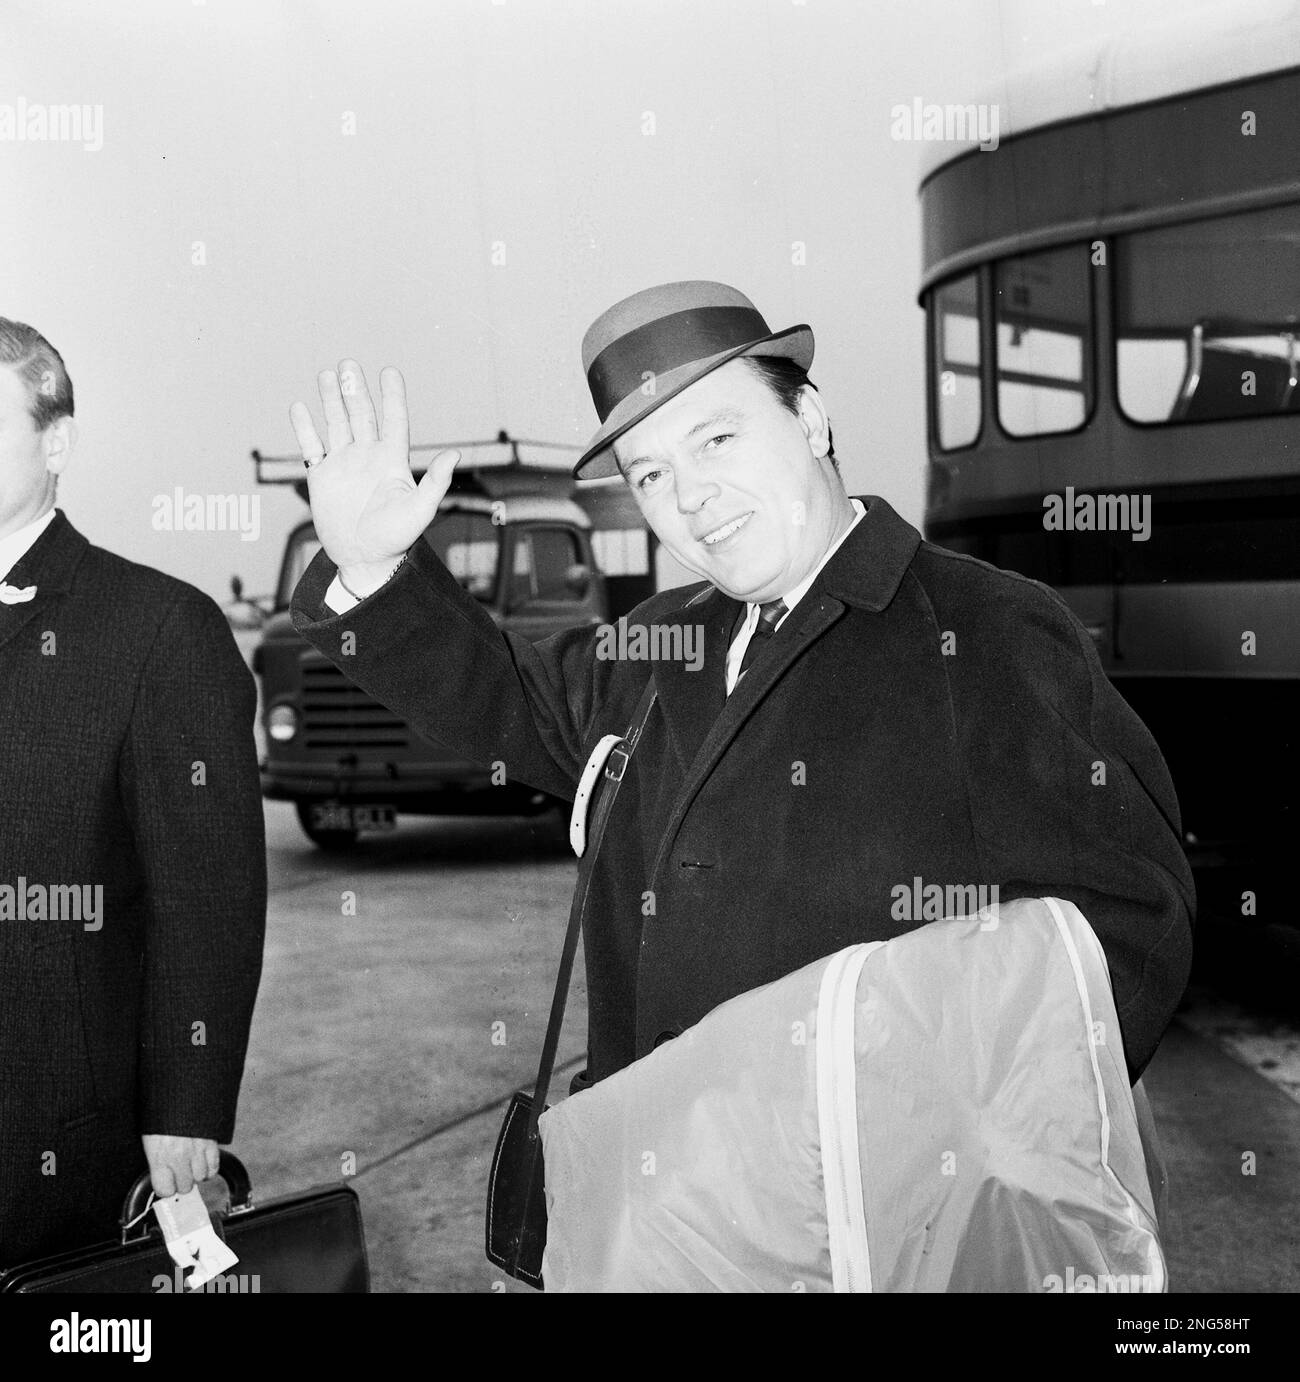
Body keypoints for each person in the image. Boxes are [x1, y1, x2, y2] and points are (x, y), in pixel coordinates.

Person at [287, 279, 1194, 1097]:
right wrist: (374, 567)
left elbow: (1127, 933)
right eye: (651, 474)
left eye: (717, 437)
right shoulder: (657, 643)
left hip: (873, 1231)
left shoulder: (987, 632)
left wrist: (929, 1139)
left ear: (810, 420)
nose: (692, 495)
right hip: (660, 1219)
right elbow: (499, 690)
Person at [0, 317, 266, 1266]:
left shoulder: (160, 629)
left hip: (57, 1124)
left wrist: (184, 1109)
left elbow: (208, 897)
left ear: (56, 439)